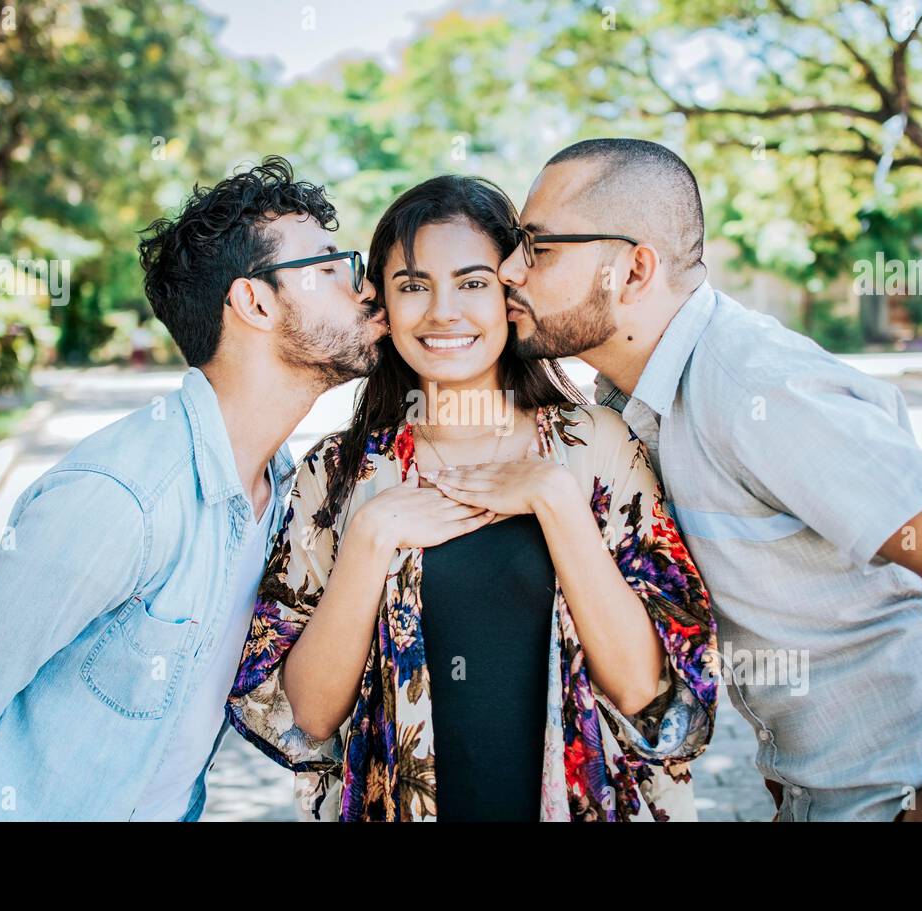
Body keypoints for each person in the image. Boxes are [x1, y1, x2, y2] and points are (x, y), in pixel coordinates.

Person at [490, 137, 922, 822]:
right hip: (843, 798)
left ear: (634, 269)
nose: (508, 269)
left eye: (538, 247)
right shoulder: (632, 403)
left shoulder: (750, 383)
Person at [0, 156, 387, 821]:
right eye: (329, 266)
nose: (366, 288)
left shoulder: (284, 494)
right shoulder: (124, 495)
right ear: (255, 302)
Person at [228, 174, 717, 821]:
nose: (443, 312)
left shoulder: (594, 445)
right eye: (413, 286)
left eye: (473, 283)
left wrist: (556, 502)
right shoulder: (339, 472)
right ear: (383, 304)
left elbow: (646, 696)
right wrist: (370, 539)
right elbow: (307, 717)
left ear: (511, 292)